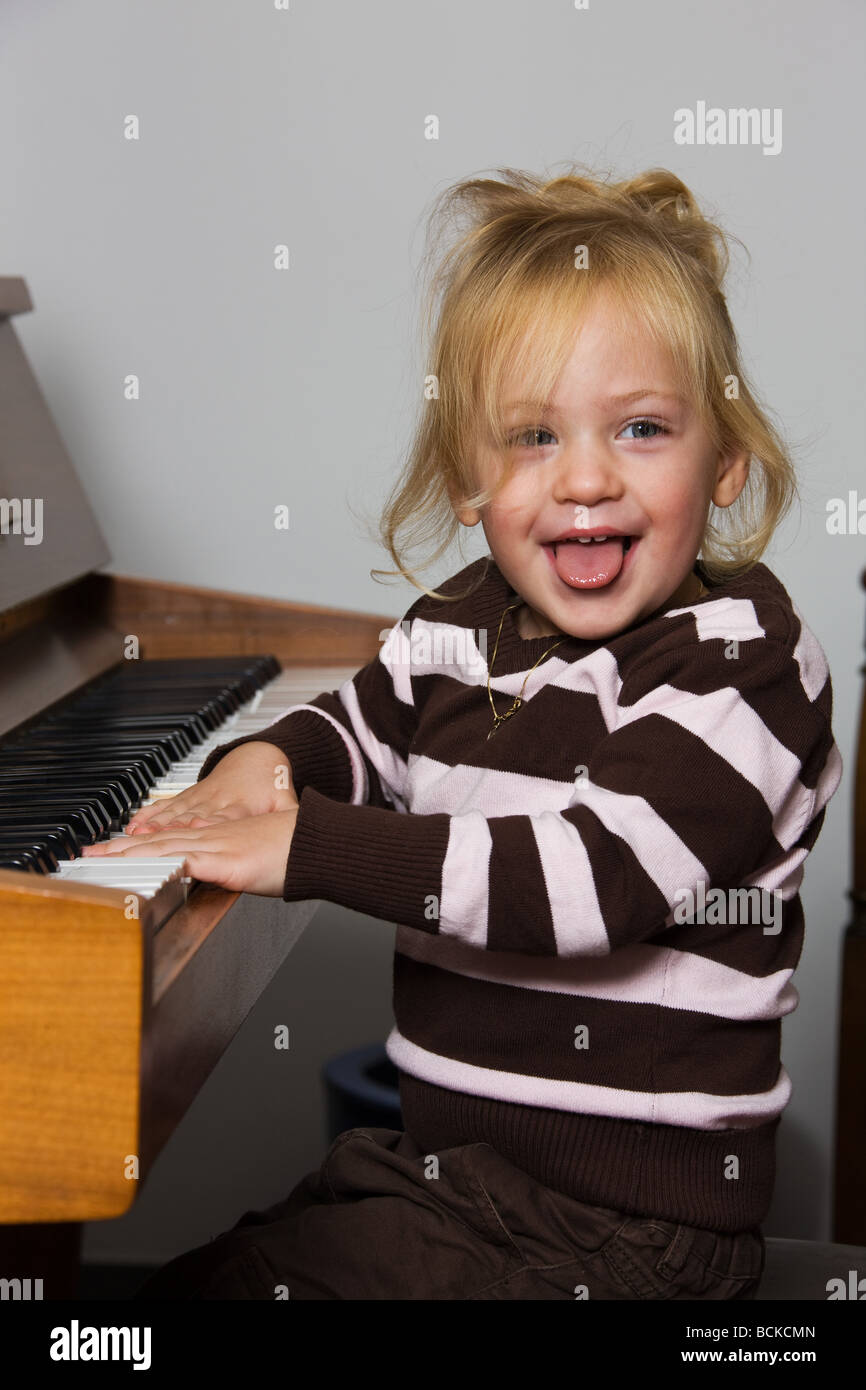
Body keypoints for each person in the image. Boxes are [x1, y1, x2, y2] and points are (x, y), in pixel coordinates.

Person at [87, 165, 843, 1300]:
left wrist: (304, 847)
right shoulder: (459, 625)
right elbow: (365, 723)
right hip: (454, 1182)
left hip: (623, 1235)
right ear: (465, 479)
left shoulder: (746, 664)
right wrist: (268, 761)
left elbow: (591, 878)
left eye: (641, 428)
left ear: (725, 457)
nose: (584, 479)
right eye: (532, 436)